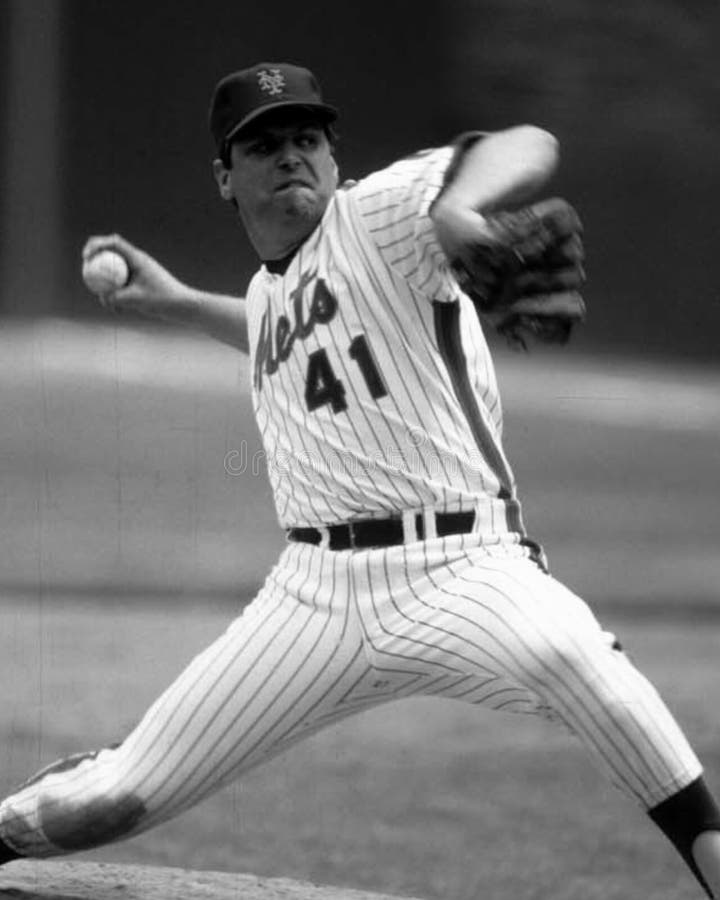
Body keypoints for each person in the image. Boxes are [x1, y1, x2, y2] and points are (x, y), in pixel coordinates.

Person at [1, 60, 719, 897]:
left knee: (580, 664)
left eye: (307, 138)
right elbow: (288, 332)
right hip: (312, 598)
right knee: (116, 798)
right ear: (225, 179)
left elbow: (528, 141)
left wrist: (457, 209)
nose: (291, 156)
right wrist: (179, 305)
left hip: (466, 570)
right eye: (263, 145)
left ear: (336, 161)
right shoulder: (273, 290)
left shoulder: (381, 217)